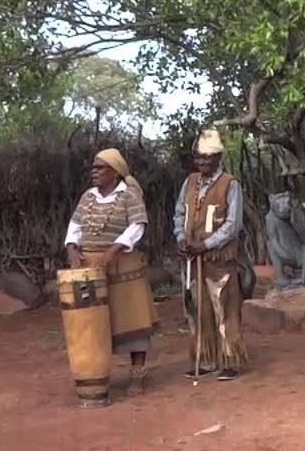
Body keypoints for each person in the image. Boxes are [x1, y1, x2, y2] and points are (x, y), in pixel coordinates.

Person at [65, 149, 158, 393]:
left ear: (115, 172)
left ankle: (137, 375)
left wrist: (113, 250)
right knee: (90, 324)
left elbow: (137, 226)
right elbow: (74, 225)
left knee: (131, 320)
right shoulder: (88, 197)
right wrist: (72, 249)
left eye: (100, 168)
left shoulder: (129, 196)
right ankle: (95, 375)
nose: (94, 172)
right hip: (89, 269)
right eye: (93, 168)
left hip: (123, 267)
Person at [174, 129, 248, 381]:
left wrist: (206, 245)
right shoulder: (190, 182)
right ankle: (205, 359)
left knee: (224, 308)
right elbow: (179, 214)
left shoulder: (231, 183)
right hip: (192, 259)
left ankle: (229, 360)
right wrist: (181, 238)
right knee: (198, 309)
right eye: (199, 157)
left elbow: (232, 224)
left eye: (208, 157)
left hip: (218, 258)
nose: (203, 162)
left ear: (218, 157)